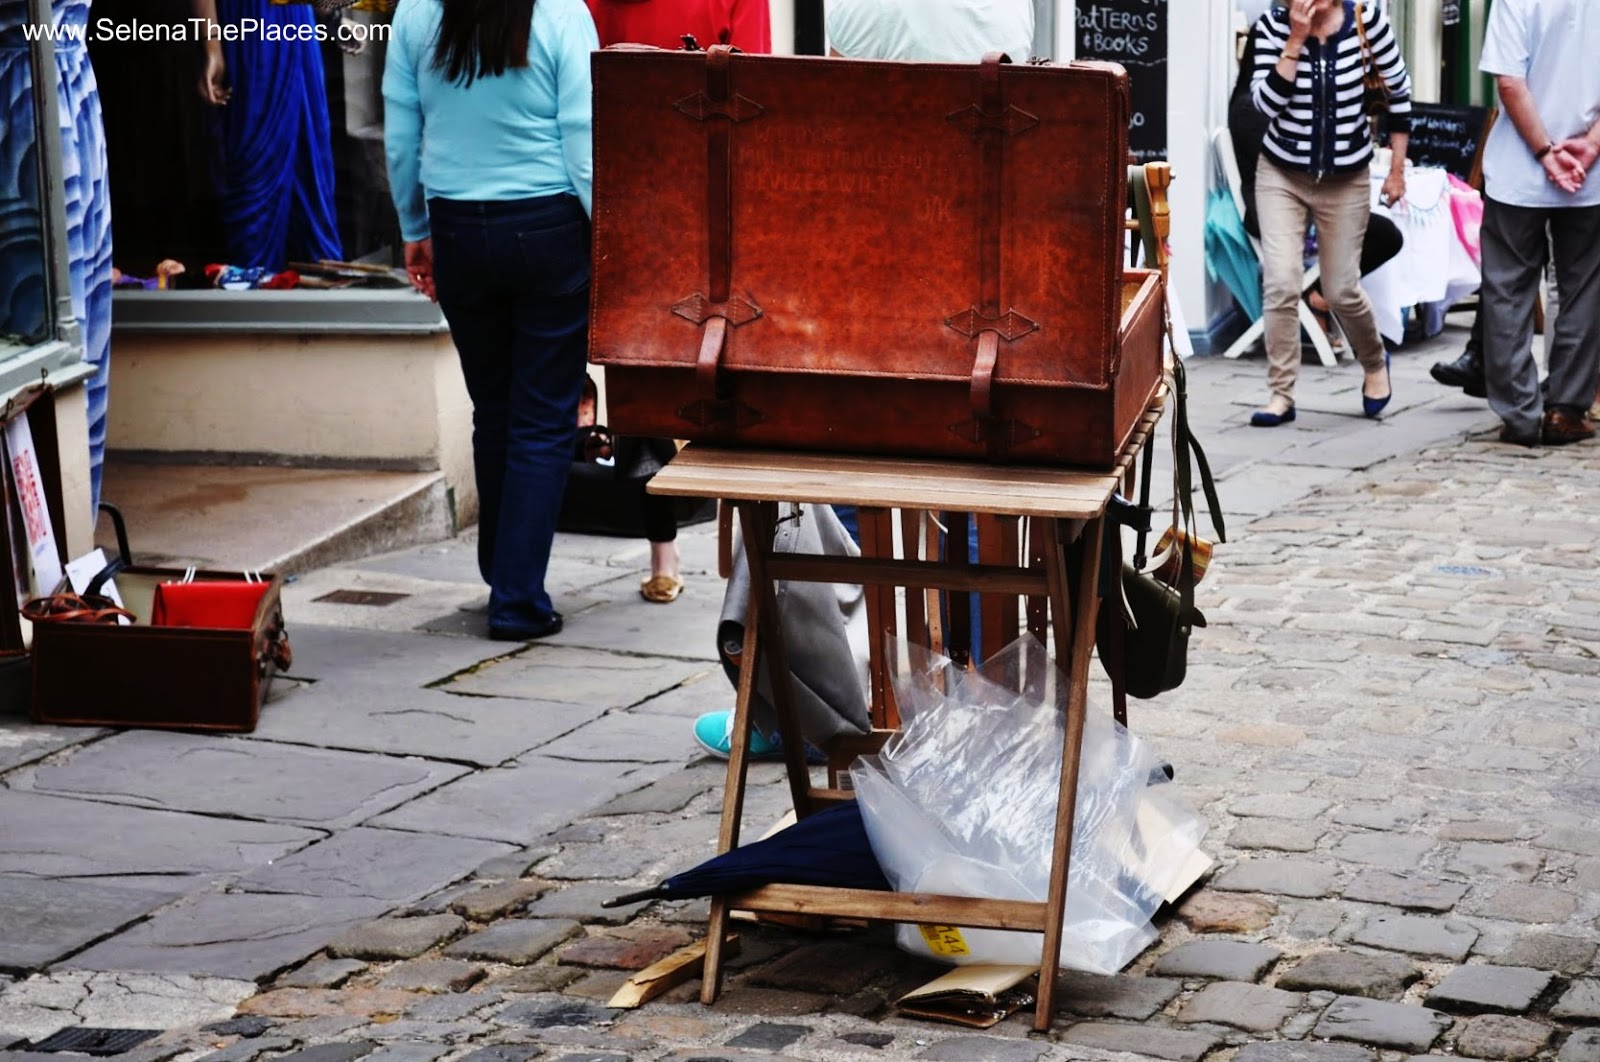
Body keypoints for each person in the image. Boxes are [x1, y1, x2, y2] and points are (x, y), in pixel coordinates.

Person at [383, 0, 597, 640]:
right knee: (542, 415)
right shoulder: (562, 12)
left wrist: (413, 228)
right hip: (551, 224)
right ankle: (517, 598)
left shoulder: (416, 12)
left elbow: (401, 132)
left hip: (456, 226)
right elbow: (582, 137)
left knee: (494, 407)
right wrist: (612, 234)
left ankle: (501, 571)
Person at [583, 0, 772, 605]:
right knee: (740, 357)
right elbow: (758, 78)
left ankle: (663, 554)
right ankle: (753, 551)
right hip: (717, 182)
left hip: (638, 178)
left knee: (644, 364)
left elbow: (594, 72)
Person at [1245, 0, 1412, 427]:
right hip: (1282, 174)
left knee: (1341, 290)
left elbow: (1398, 94)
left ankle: (1374, 363)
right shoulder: (1273, 26)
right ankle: (1280, 394)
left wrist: (1396, 172)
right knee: (1281, 281)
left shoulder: (1366, 19)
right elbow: (1263, 106)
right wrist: (1296, 40)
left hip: (1346, 179)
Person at [1227, 23, 1403, 352]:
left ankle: (1321, 298)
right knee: (1385, 234)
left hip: (1304, 200)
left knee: (1378, 231)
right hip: (1277, 210)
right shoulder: (1250, 108)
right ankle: (1318, 300)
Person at [1473, 0, 1600, 446]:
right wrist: (1590, 144)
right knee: (1584, 288)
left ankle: (1521, 414)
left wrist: (1546, 153)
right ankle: (1566, 408)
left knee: (1508, 289)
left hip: (1519, 172)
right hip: (1590, 175)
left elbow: (1509, 82)